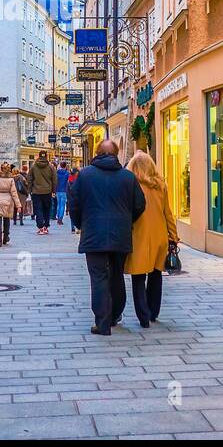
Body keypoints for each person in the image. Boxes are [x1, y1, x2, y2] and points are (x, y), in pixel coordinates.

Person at [70, 139, 145, 335]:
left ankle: (102, 322)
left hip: (93, 234)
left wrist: (81, 224)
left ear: (96, 152)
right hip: (120, 234)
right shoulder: (128, 177)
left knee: (98, 277)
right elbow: (139, 205)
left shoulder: (84, 176)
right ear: (117, 154)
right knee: (116, 274)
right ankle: (115, 315)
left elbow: (74, 204)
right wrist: (127, 221)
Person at [125, 151, 179, 328]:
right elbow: (167, 213)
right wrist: (173, 235)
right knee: (156, 275)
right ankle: (153, 312)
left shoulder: (131, 184)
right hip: (159, 235)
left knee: (138, 277)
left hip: (137, 235)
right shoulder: (160, 185)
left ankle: (143, 316)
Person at [28, 151, 57, 234]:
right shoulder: (51, 167)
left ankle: (40, 226)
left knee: (38, 209)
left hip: (36, 191)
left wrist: (29, 190)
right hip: (47, 191)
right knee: (47, 209)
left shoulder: (33, 166)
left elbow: (29, 178)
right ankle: (46, 226)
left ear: (39, 156)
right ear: (46, 156)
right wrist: (54, 190)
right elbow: (54, 179)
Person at [54, 160, 69, 225]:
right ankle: (60, 218)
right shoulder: (67, 173)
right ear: (65, 166)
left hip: (58, 190)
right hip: (64, 191)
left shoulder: (56, 173)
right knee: (62, 205)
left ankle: (58, 216)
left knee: (58, 204)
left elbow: (55, 182)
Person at [68, 166, 81, 234]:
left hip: (70, 197)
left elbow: (67, 189)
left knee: (72, 212)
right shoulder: (78, 179)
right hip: (77, 198)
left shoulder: (69, 179)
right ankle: (77, 228)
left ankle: (73, 228)